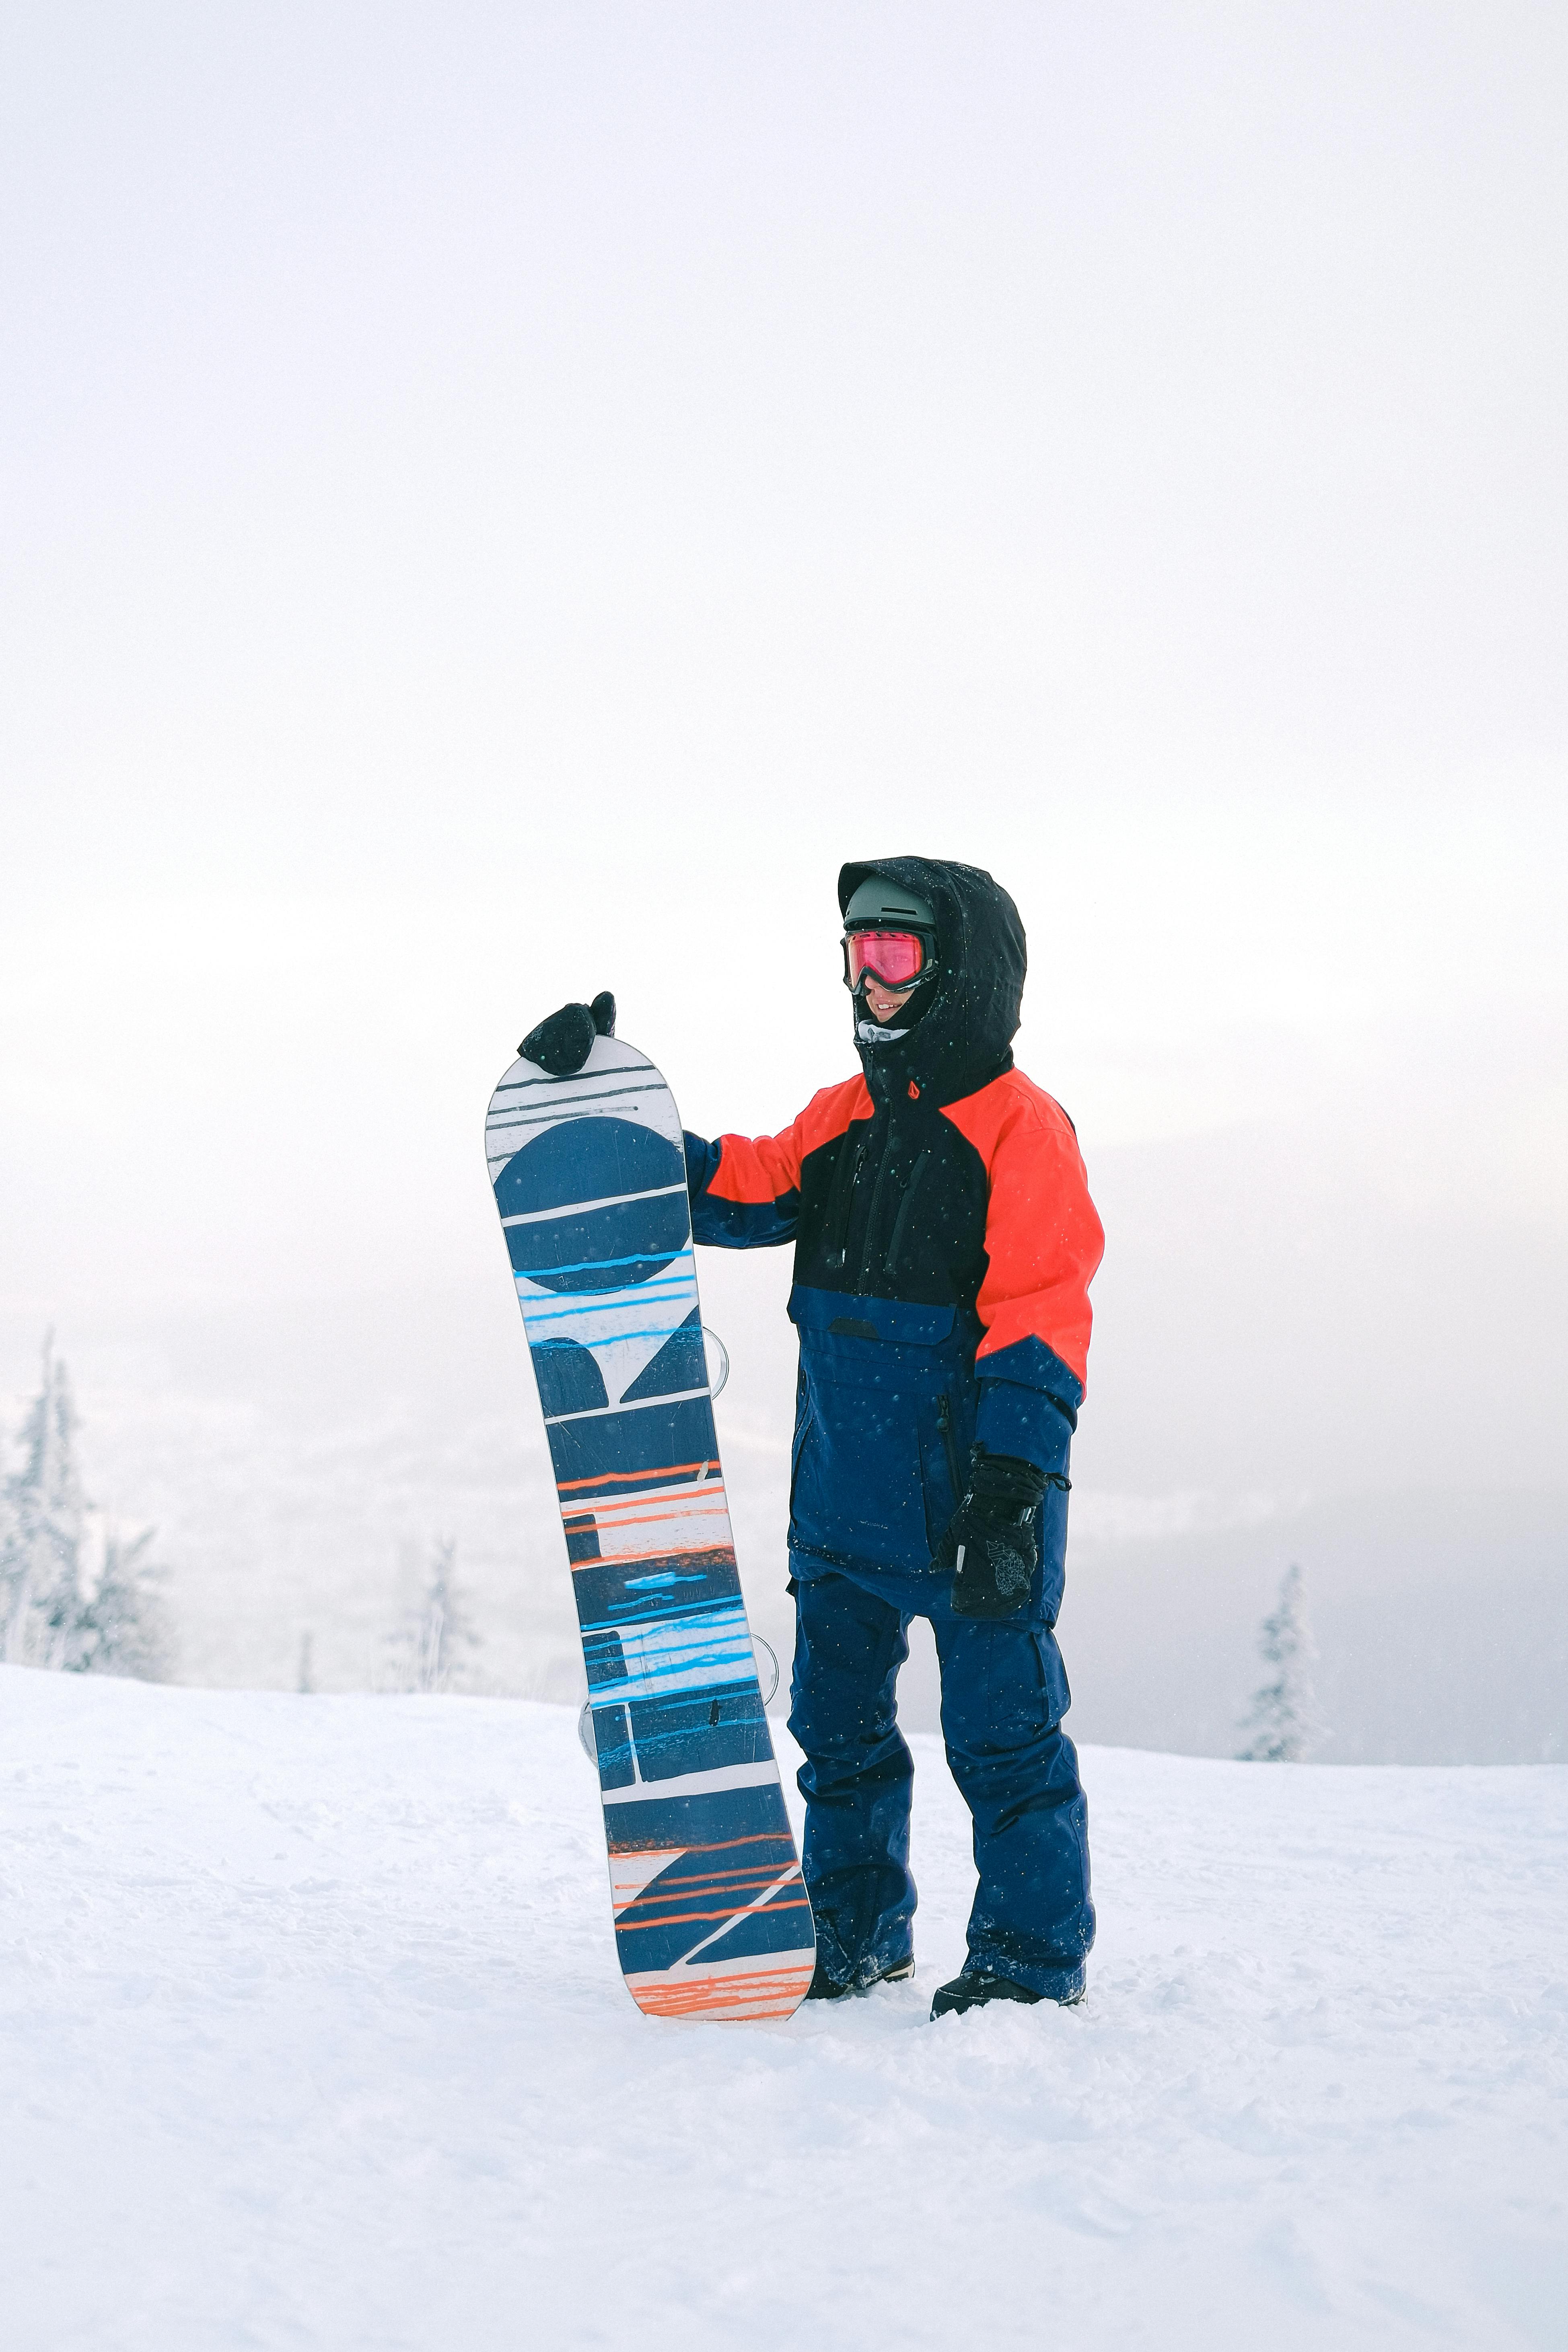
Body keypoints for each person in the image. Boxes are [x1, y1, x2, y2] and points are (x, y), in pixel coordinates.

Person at [524, 857, 1104, 2017]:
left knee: (1003, 1740)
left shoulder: (1020, 1130)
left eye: (895, 954)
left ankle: (1029, 1960)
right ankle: (854, 1927)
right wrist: (602, 1110)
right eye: (857, 954)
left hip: (970, 1500)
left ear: (958, 972)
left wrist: (1013, 1483)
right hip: (843, 1496)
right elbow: (738, 1190)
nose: (871, 981)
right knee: (835, 1734)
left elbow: (1041, 1312)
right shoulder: (842, 1119)